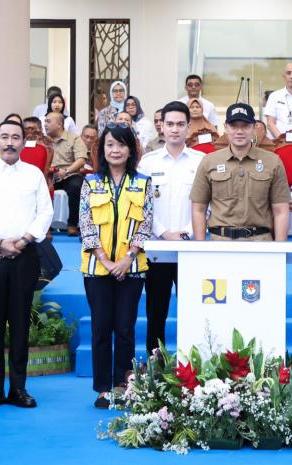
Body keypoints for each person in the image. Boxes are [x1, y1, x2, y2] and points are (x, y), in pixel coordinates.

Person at [0, 119, 53, 409]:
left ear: (22, 141)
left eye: (16, 137)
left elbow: (45, 212)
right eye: (4, 137)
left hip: (24, 254)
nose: (9, 142)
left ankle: (18, 388)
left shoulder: (34, 174)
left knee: (19, 323)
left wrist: (22, 241)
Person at [79, 123, 153, 409]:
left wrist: (127, 259)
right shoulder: (90, 182)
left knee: (125, 328)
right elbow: (85, 223)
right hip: (97, 269)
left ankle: (123, 385)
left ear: (131, 149)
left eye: (121, 145)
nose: (116, 150)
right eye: (110, 144)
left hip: (131, 268)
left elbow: (145, 223)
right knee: (101, 328)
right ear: (102, 149)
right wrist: (106, 260)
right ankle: (102, 388)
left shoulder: (143, 182)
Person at [138, 101, 204, 355]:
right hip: (158, 247)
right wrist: (165, 232)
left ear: (188, 127)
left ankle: (194, 364)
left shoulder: (201, 161)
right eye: (169, 124)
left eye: (180, 124)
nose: (174, 129)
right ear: (161, 127)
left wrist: (187, 231)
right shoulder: (148, 163)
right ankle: (158, 364)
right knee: (156, 310)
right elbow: (143, 205)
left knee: (193, 308)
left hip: (192, 246)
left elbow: (206, 204)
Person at [190, 103, 290, 241]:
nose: (239, 131)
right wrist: (200, 249)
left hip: (260, 243)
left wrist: (280, 251)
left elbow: (281, 211)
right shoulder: (209, 162)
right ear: (225, 127)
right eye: (234, 126)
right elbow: (198, 209)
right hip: (220, 243)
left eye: (245, 126)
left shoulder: (272, 162)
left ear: (254, 128)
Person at [45, 111, 88, 236]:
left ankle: (72, 224)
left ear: (59, 124)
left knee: (76, 186)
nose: (45, 124)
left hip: (69, 174)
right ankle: (45, 227)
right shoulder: (44, 140)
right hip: (49, 175)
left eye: (48, 121)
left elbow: (81, 159)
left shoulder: (74, 138)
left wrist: (67, 171)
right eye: (45, 122)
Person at [21, 117, 53, 187]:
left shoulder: (47, 144)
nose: (29, 132)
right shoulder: (18, 144)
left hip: (41, 182)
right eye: (26, 129)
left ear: (40, 129)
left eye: (32, 129)